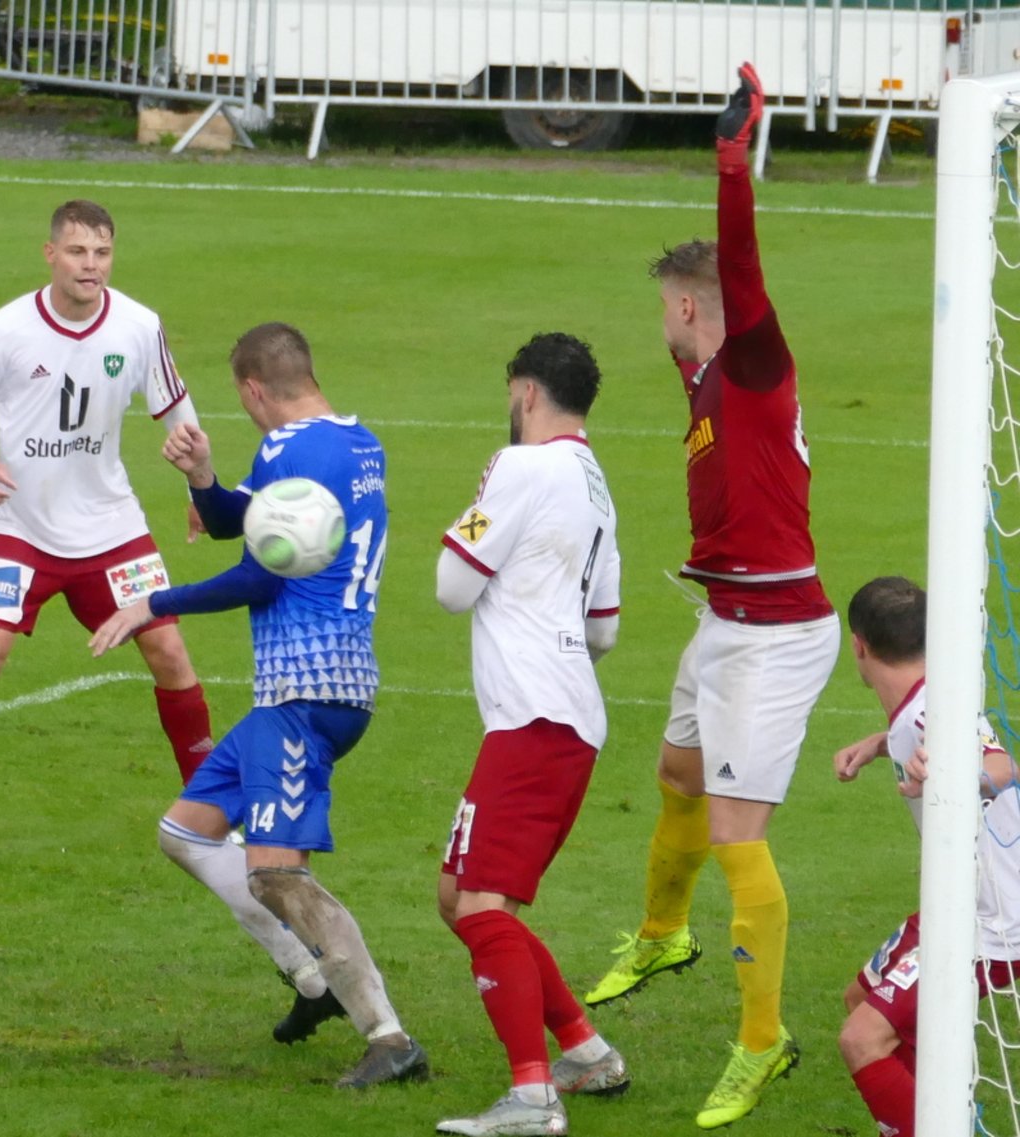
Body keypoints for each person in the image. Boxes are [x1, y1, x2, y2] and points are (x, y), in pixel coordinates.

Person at [579, 63, 840, 1130]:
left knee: (735, 829)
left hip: (778, 635)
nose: (660, 321)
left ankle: (760, 1040)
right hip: (722, 618)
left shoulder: (746, 363)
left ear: (687, 309)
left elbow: (741, 266)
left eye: (664, 308)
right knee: (677, 770)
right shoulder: (698, 380)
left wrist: (731, 164)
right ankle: (660, 934)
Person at [90, 322, 426, 1089]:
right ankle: (311, 984)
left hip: (304, 693)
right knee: (185, 832)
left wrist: (155, 602)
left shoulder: (283, 448)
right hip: (328, 682)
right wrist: (205, 478)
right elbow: (251, 522)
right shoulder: (356, 441)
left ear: (250, 388)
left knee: (278, 873)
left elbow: (260, 575)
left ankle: (388, 1032)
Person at [0, 199, 213, 846]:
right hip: (20, 524)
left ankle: (210, 811)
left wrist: (199, 481)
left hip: (110, 524)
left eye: (102, 252)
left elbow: (173, 401)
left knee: (168, 650)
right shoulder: (6, 329)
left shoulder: (137, 325)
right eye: (78, 252)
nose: (91, 265)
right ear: (50, 254)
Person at [432, 333, 628, 1137]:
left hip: (532, 718)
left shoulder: (522, 466)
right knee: (460, 896)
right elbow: (605, 629)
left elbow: (452, 586)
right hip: (565, 714)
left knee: (481, 905)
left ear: (524, 392)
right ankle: (583, 1049)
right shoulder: (595, 481)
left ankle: (531, 1097)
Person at [831, 576, 1020, 1137]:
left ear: (858, 645)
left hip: (994, 921)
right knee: (858, 998)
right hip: (956, 898)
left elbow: (1001, 767)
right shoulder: (925, 702)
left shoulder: (932, 715)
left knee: (862, 1040)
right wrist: (877, 744)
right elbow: (921, 730)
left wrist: (956, 778)